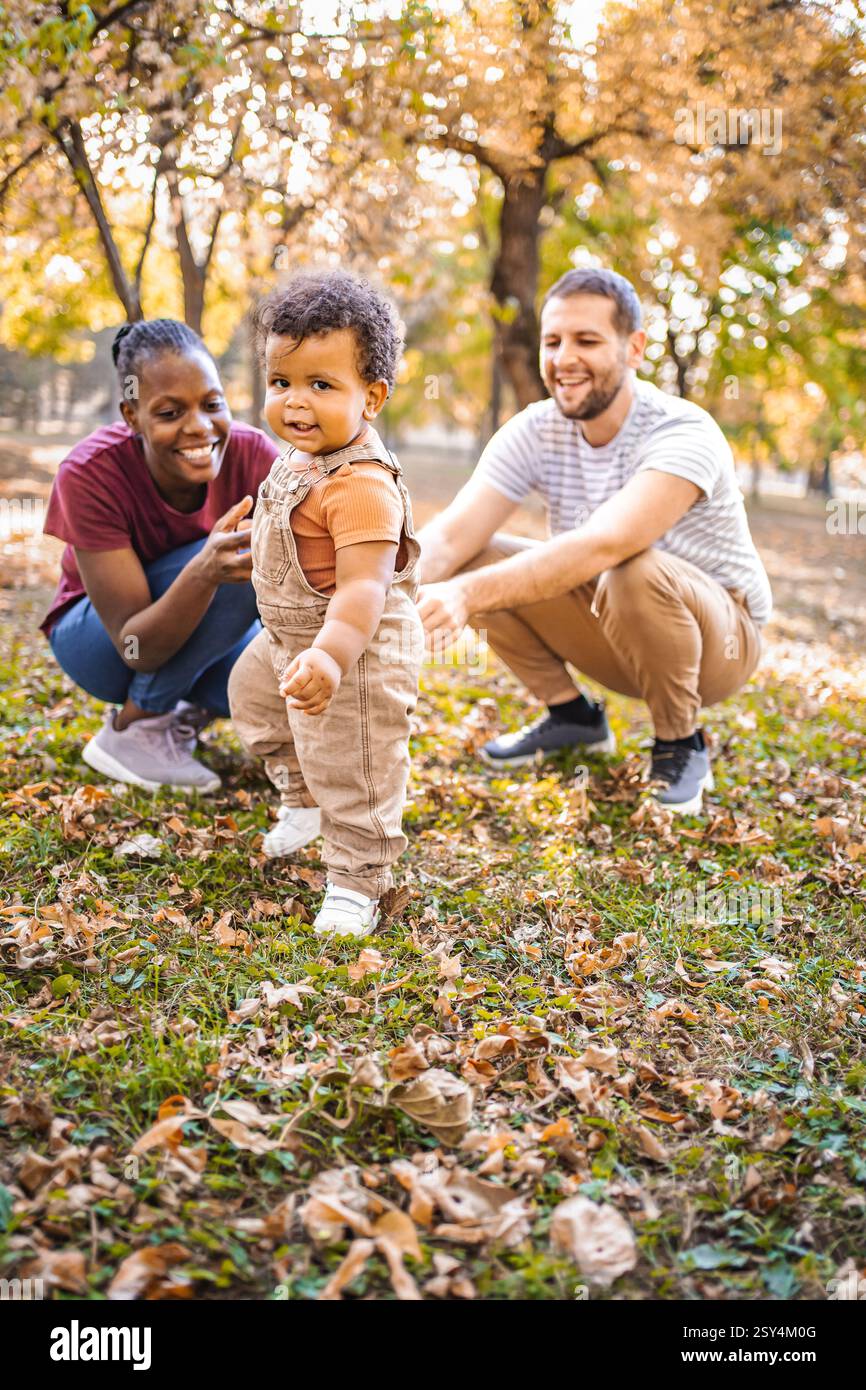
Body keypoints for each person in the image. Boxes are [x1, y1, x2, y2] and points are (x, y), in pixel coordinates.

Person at [417, 267, 772, 815]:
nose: (564, 359)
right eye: (553, 342)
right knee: (474, 556)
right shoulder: (535, 429)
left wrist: (465, 597)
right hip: (612, 624)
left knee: (632, 567)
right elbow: (448, 536)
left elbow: (608, 544)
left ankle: (681, 743)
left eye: (587, 340)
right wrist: (365, 593)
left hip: (719, 640)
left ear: (633, 349)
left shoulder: (682, 430)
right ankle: (573, 720)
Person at [228, 271, 423, 938]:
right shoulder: (301, 455)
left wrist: (333, 658)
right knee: (253, 697)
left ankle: (358, 880)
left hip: (355, 650)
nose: (295, 403)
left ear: (372, 398)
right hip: (291, 635)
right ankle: (301, 799)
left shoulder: (363, 486)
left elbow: (365, 590)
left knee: (357, 764)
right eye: (282, 383)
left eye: (321, 385)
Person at [41, 319, 279, 792]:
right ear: (131, 416)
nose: (199, 428)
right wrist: (206, 571)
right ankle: (136, 728)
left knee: (266, 686)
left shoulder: (253, 455)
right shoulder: (90, 473)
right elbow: (137, 647)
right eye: (170, 413)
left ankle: (184, 710)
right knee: (244, 554)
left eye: (212, 405)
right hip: (104, 644)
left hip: (200, 638)